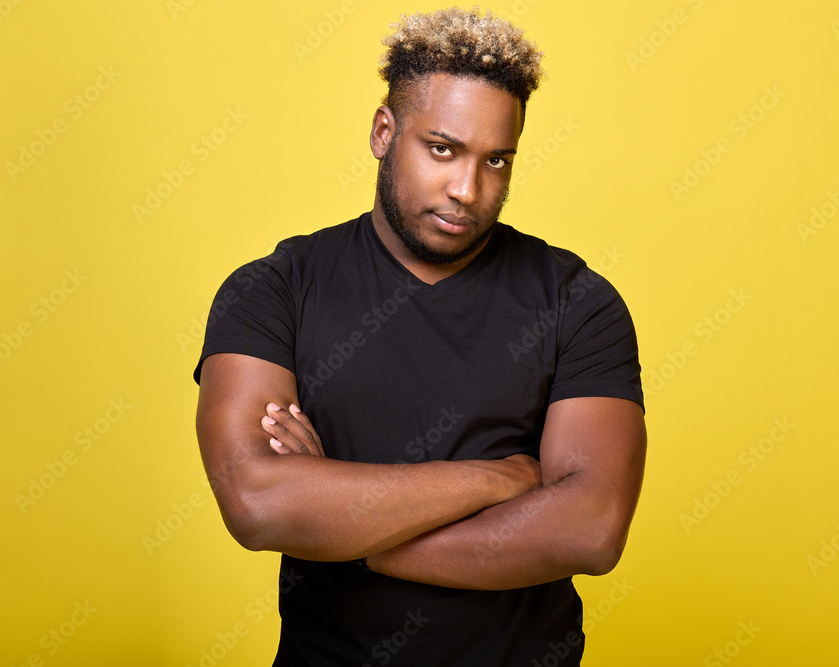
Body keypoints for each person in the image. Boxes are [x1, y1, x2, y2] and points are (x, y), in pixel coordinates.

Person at [193, 7, 646, 666]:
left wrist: (353, 532)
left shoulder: (577, 301)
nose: (469, 189)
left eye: (496, 160)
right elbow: (259, 500)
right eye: (443, 149)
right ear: (384, 131)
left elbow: (591, 527)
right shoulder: (275, 290)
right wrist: (500, 479)